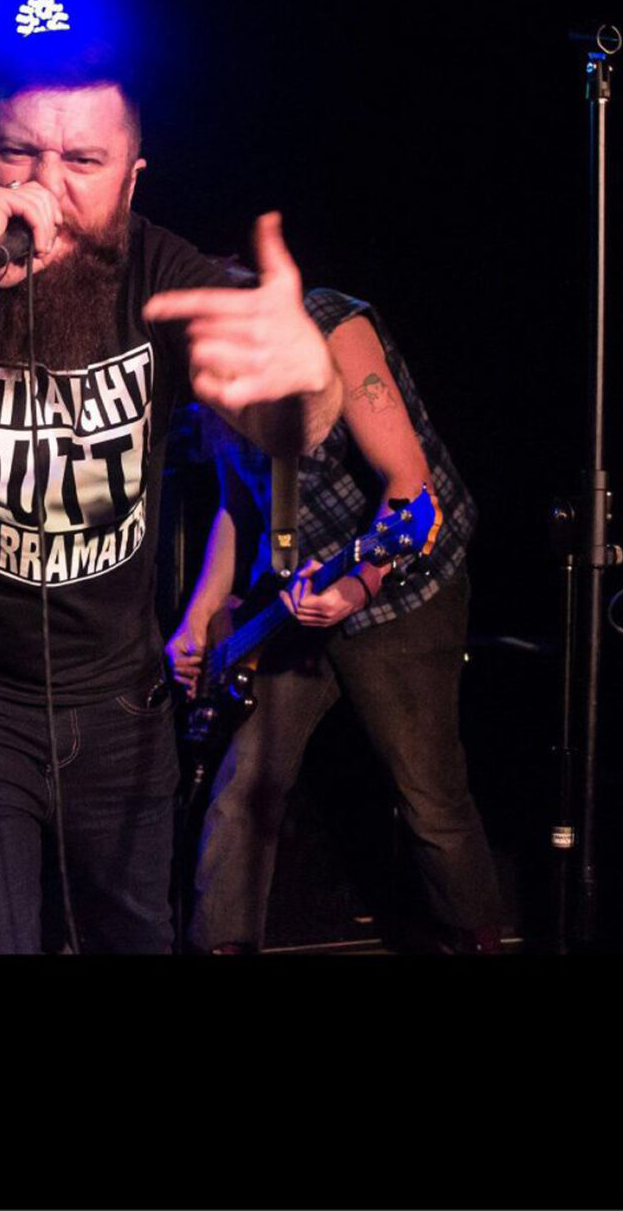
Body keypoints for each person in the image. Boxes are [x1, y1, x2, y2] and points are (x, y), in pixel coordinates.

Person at [0, 37, 342, 953]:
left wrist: (309, 379)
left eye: (83, 161)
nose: (45, 187)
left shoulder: (159, 272)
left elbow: (296, 427)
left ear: (131, 177)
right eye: (17, 153)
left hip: (119, 700)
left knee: (134, 936)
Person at [167, 288, 504, 954]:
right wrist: (198, 616)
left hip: (402, 590)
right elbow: (239, 502)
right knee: (244, 786)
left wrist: (359, 583)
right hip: (293, 600)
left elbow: (412, 490)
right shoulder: (210, 375)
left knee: (429, 796)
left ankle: (475, 939)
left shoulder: (331, 329)